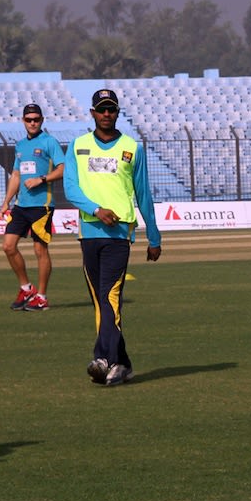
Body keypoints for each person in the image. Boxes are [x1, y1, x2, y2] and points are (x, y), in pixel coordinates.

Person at [63, 89, 162, 386]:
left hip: (119, 234)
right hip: (89, 232)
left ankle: (103, 359)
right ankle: (122, 362)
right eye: (101, 110)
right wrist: (96, 209)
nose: (107, 114)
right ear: (92, 113)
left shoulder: (132, 148)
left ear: (117, 113)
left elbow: (144, 194)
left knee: (110, 297)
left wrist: (154, 238)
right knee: (100, 301)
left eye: (111, 110)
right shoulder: (78, 146)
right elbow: (70, 188)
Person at [0, 103, 65, 311]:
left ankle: (42, 297)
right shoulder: (19, 145)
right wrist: (6, 200)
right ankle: (26, 288)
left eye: (36, 119)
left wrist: (42, 179)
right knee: (8, 246)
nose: (33, 122)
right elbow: (16, 175)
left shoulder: (49, 142)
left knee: (40, 250)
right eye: (29, 119)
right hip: (21, 205)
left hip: (41, 206)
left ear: (42, 120)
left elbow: (63, 168)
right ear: (23, 121)